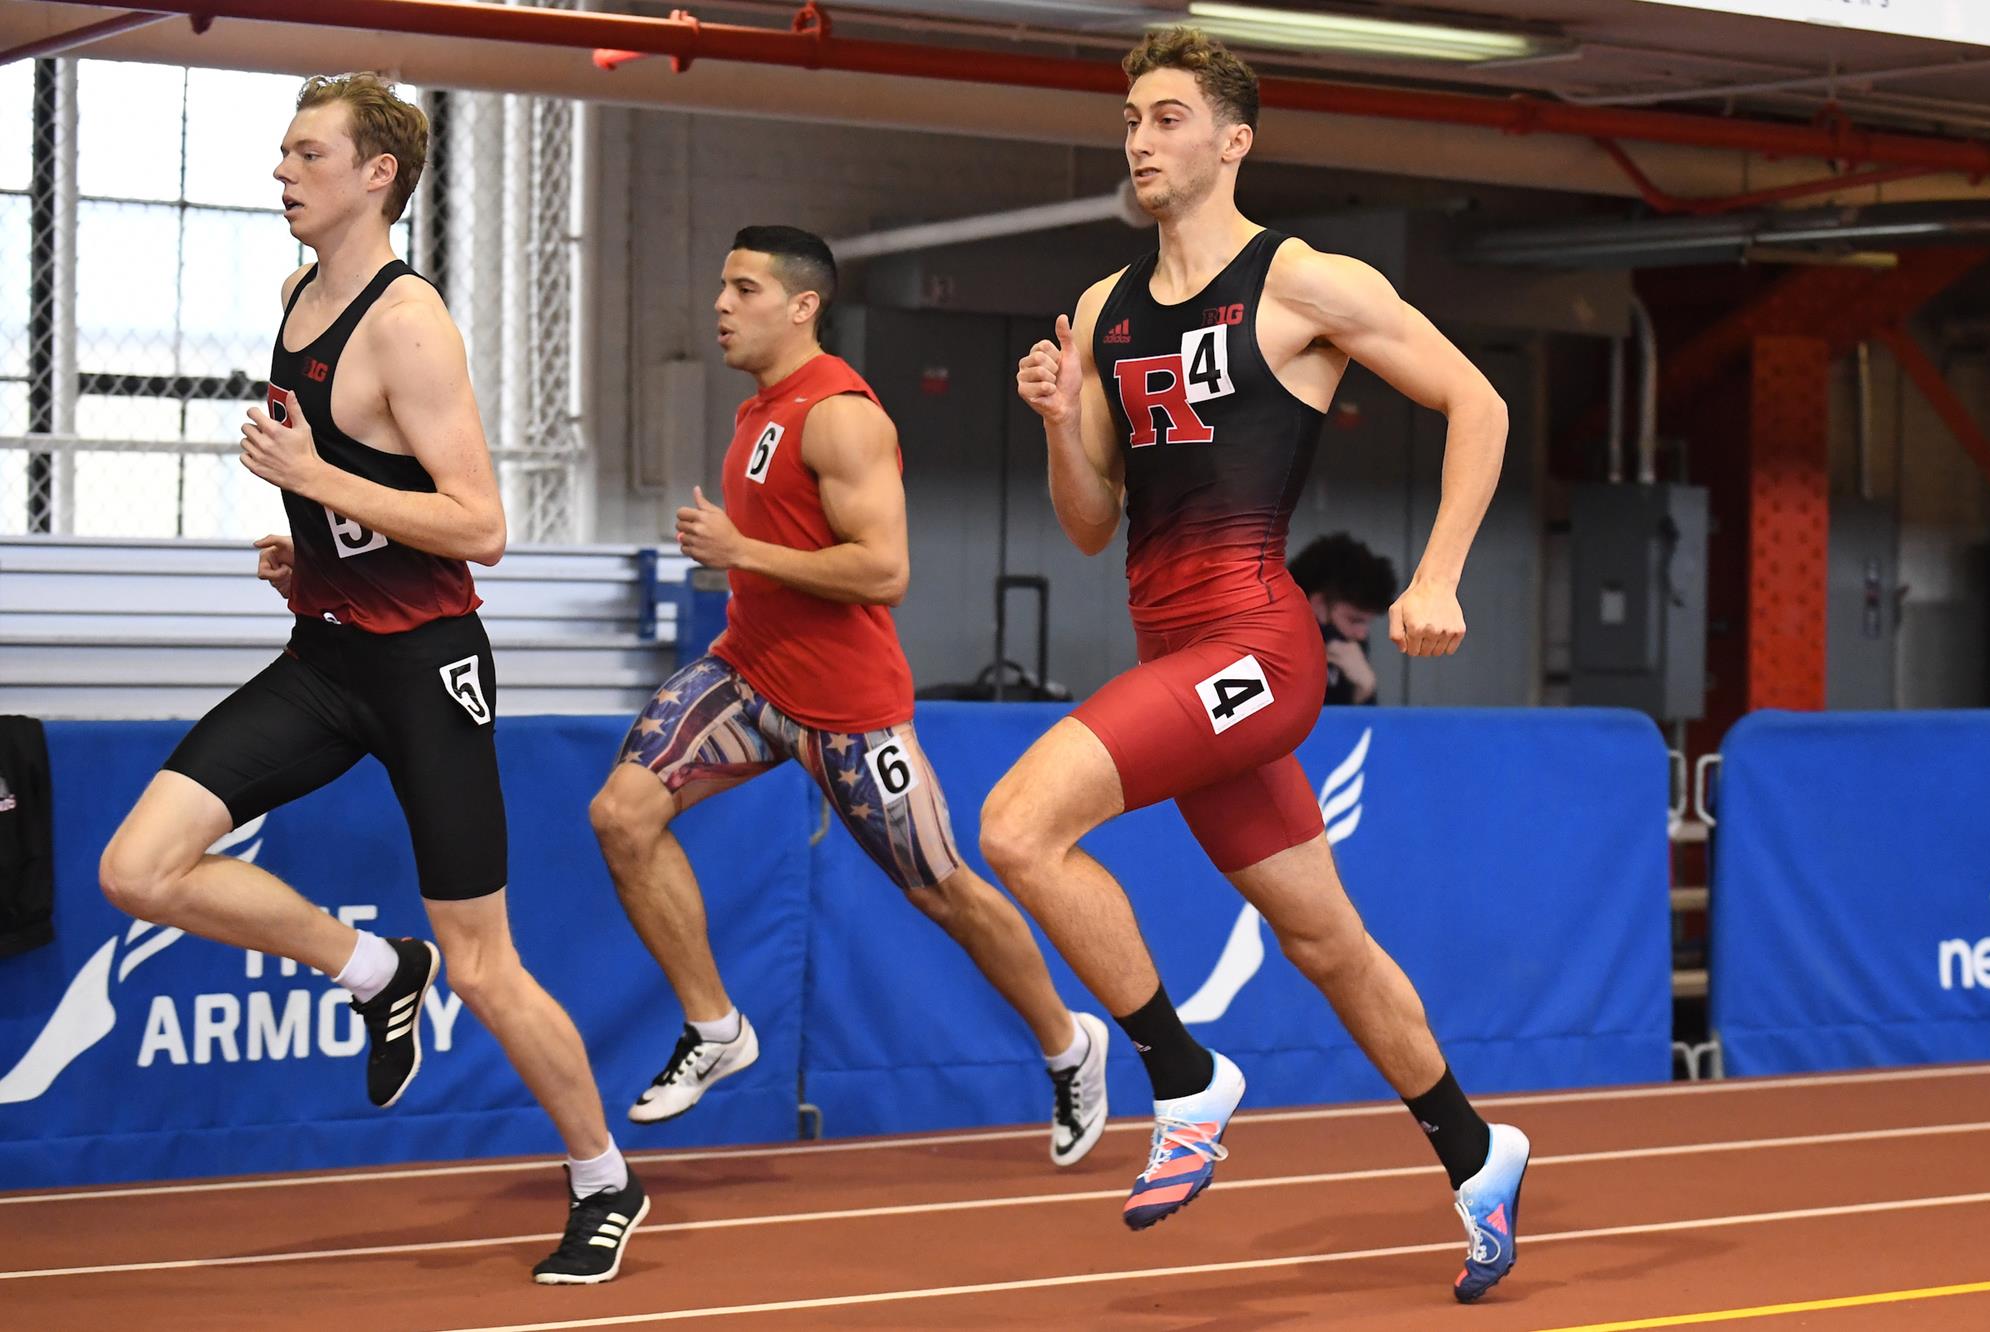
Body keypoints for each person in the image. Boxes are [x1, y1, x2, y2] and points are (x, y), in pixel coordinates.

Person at [994, 28, 1530, 1303]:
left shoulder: (1298, 281)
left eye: (1168, 116)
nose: (1140, 140)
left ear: (1232, 141)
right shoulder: (1098, 311)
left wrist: (1439, 574)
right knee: (1324, 938)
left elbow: (1478, 402)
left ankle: (1183, 1076)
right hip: (1168, 644)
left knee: (1017, 827)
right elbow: (1086, 524)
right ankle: (1476, 1150)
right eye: (1130, 117)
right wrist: (1058, 419)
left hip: (1254, 641)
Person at [96, 73, 642, 1286]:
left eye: (305, 153)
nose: (281, 173)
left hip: (425, 667)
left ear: (375, 174)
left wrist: (322, 485)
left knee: (488, 961)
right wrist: (314, 545)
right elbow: (349, 478)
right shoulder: (299, 295)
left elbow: (480, 524)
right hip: (327, 649)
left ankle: (604, 1176)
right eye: (284, 153)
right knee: (136, 868)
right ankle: (373, 969)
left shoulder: (408, 324)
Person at [587, 226, 1111, 1168]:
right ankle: (715, 1028)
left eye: (742, 288)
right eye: (721, 284)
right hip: (747, 673)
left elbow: (884, 571)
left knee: (947, 893)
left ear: (802, 306)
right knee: (621, 816)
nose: (720, 304)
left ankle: (1071, 1046)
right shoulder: (759, 410)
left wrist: (740, 552)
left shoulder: (841, 414)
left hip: (847, 711)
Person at [1288, 532, 1397, 705]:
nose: (1361, 634)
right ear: (1319, 605)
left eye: (1367, 623)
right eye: (1354, 620)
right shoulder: (1276, 652)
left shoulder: (1349, 656)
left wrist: (1363, 690)